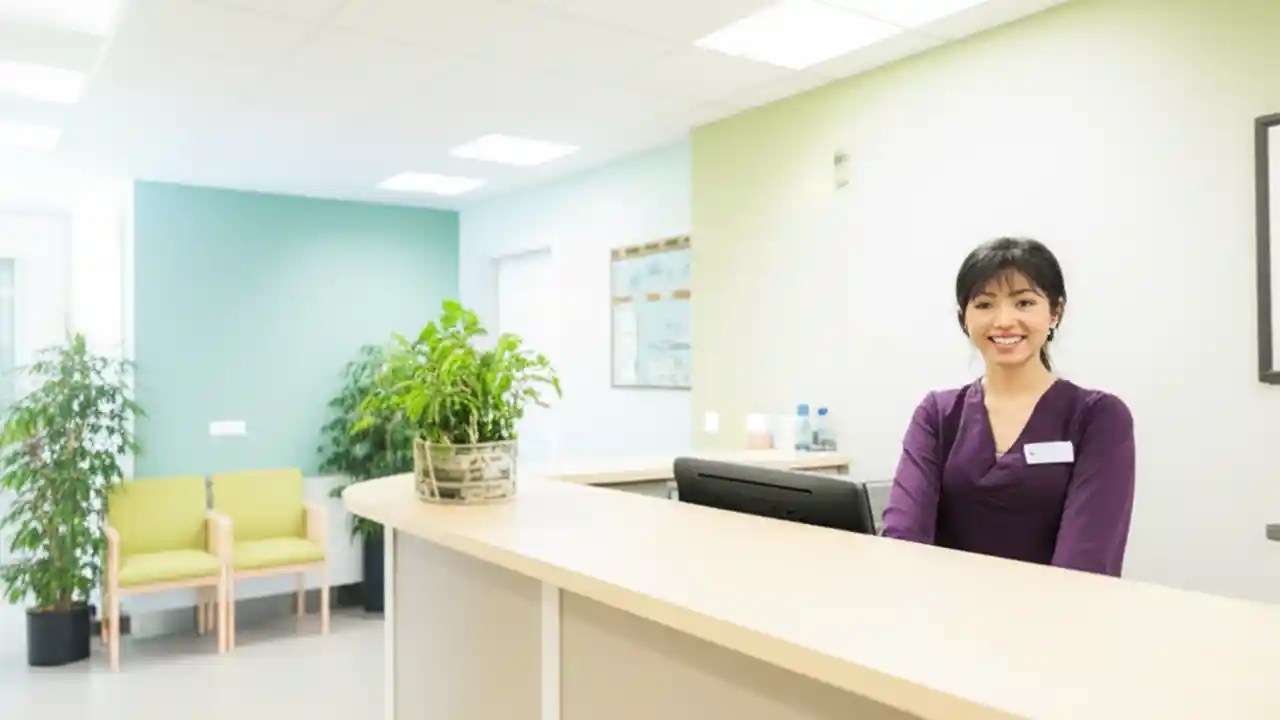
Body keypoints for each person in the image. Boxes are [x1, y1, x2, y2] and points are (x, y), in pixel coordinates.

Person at [881, 238, 1135, 576]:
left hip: (1055, 618)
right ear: (964, 318)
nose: (1004, 320)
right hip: (944, 614)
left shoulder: (1098, 418)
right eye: (984, 304)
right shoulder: (938, 415)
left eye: (1024, 302)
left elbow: (1086, 563)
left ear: (1055, 312)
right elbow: (902, 538)